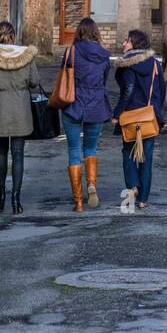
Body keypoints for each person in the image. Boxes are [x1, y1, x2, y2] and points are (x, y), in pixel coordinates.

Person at [0, 21, 39, 214]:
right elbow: (35, 82)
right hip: (20, 109)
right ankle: (16, 199)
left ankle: (0, 196)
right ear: (14, 35)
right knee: (19, 154)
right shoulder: (26, 55)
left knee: (1, 152)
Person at [60, 16, 112, 211]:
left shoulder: (71, 52)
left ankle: (78, 202)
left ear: (79, 32)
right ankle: (91, 184)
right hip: (96, 106)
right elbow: (104, 80)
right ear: (96, 32)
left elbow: (63, 75)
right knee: (91, 148)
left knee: (74, 150)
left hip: (73, 105)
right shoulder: (104, 55)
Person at [112, 30, 166, 210]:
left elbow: (127, 91)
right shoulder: (155, 64)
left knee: (128, 152)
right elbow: (162, 90)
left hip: (130, 117)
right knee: (147, 157)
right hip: (149, 117)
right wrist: (156, 109)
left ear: (134, 44)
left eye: (127, 41)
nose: (123, 44)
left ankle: (133, 186)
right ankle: (143, 199)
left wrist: (117, 113)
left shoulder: (128, 65)